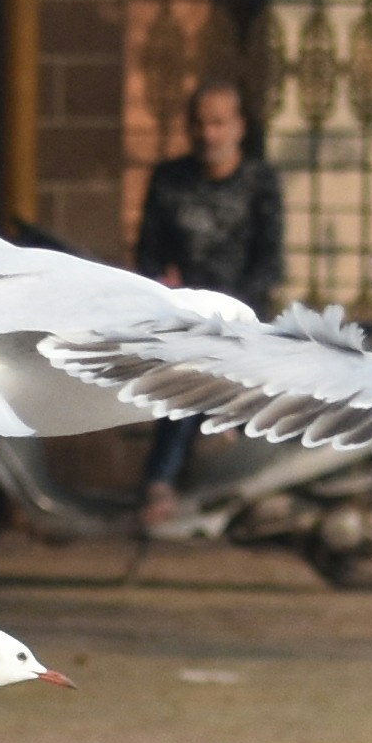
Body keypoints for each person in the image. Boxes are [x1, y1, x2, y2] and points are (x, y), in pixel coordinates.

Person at [126, 75, 281, 530]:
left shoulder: (259, 182)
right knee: (185, 381)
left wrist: (234, 312)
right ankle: (163, 483)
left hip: (243, 318)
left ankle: (170, 478)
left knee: (205, 374)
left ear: (239, 126)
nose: (207, 134)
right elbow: (148, 253)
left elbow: (269, 263)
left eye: (217, 123)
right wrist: (163, 285)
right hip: (184, 317)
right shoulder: (169, 180)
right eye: (199, 124)